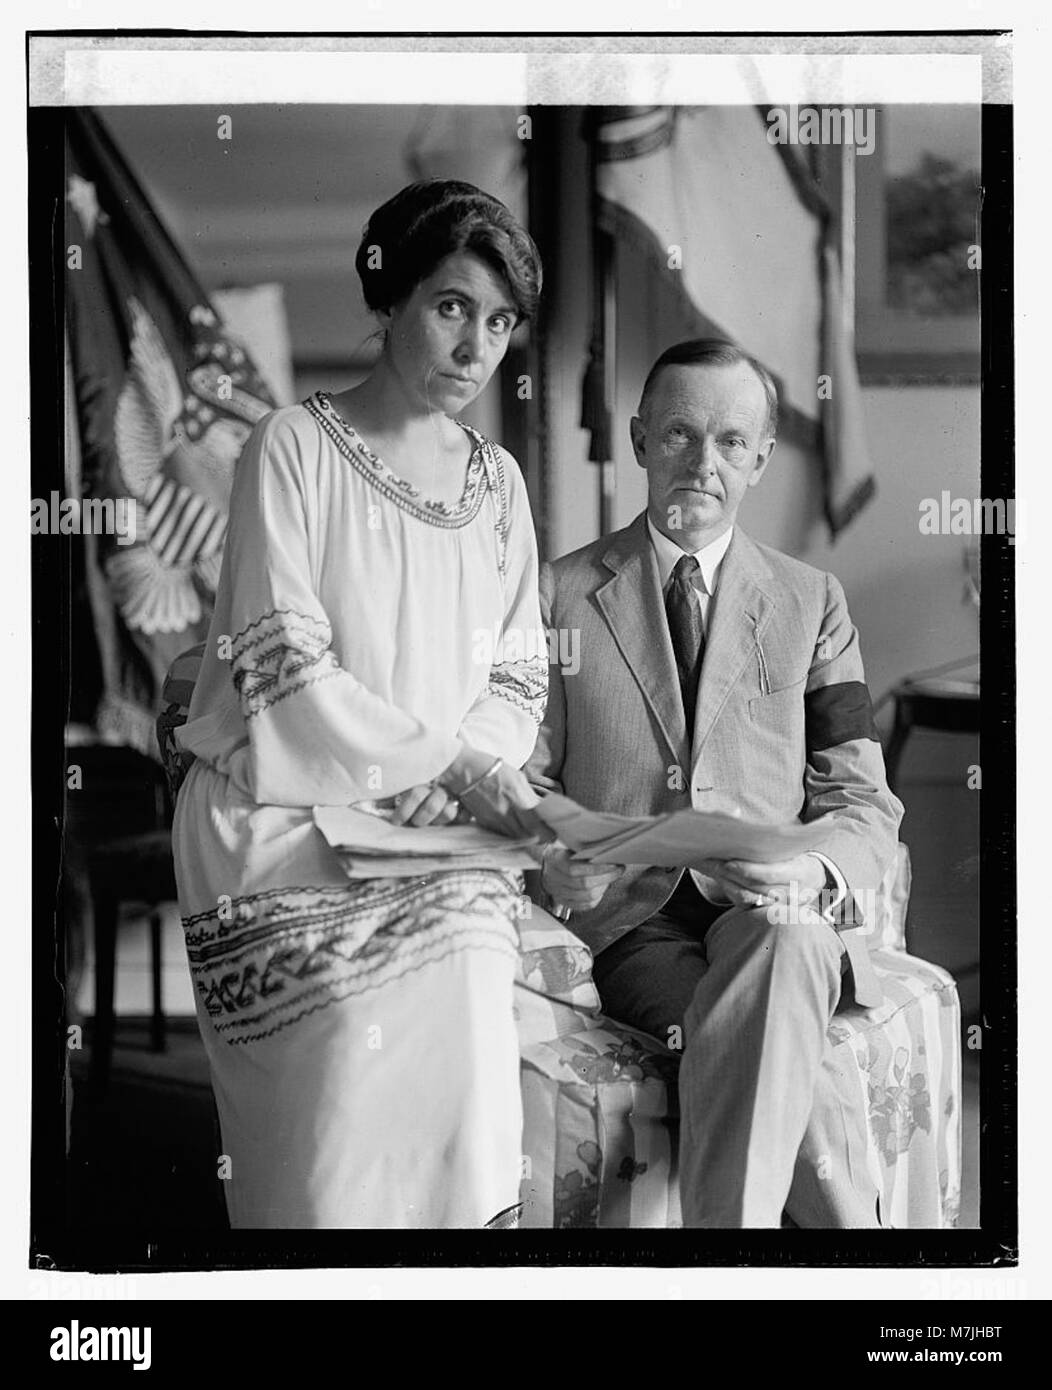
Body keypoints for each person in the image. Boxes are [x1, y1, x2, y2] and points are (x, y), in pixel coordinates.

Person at [171, 180, 547, 1229]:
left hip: (431, 822)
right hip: (280, 812)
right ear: (387, 301)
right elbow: (283, 664)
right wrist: (437, 765)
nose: (478, 345)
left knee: (471, 956)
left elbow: (515, 673)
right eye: (452, 307)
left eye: (502, 322)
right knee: (348, 1031)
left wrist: (453, 770)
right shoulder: (290, 447)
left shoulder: (499, 485)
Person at [526, 338, 904, 1229]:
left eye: (732, 442)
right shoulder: (558, 596)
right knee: (758, 1036)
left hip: (778, 908)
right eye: (680, 435)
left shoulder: (814, 602)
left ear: (762, 457)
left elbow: (862, 799)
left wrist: (808, 875)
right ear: (638, 438)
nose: (704, 463)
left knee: (790, 939)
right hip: (636, 922)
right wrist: (556, 859)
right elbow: (527, 781)